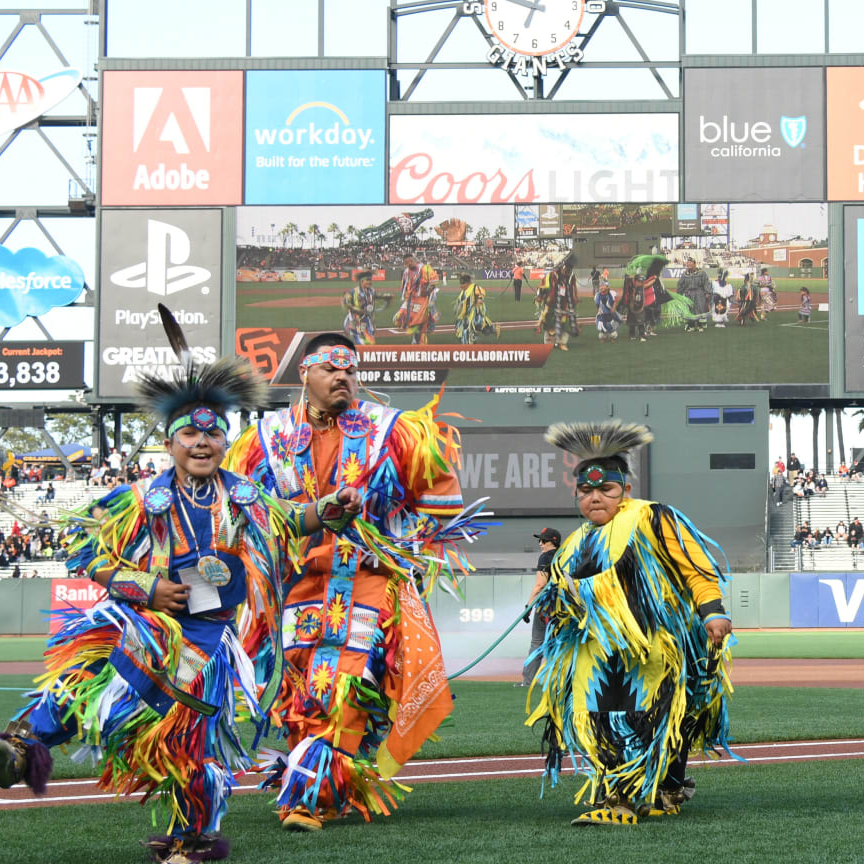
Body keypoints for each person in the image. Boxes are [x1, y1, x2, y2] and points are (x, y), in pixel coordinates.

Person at [0, 324, 357, 864]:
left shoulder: (245, 497)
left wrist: (332, 509)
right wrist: (145, 587)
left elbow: (293, 520)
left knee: (189, 740)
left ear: (225, 441)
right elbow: (83, 549)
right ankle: (21, 746)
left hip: (208, 640)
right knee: (98, 668)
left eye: (214, 435)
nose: (203, 443)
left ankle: (190, 838)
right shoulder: (138, 498)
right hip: (145, 622)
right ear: (169, 442)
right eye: (190, 435)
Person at [224, 333, 490, 831]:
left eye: (349, 368)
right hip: (294, 586)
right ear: (305, 373)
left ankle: (306, 796)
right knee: (295, 689)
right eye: (330, 368)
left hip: (364, 580)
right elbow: (243, 510)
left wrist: (396, 544)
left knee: (343, 681)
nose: (342, 376)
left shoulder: (392, 429)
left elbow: (442, 505)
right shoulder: (264, 436)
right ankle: (327, 780)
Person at [528, 420, 734, 826]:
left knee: (653, 716)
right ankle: (619, 798)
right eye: (586, 491)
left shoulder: (652, 518)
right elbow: (563, 602)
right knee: (601, 718)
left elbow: (692, 567)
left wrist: (712, 610)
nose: (595, 498)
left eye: (606, 489)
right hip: (597, 653)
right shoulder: (572, 544)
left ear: (625, 490)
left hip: (653, 646)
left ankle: (662, 788)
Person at [521, 527, 561, 687]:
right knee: (559, 644)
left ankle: (528, 681)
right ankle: (558, 681)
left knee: (537, 642)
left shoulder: (545, 557)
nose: (540, 543)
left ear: (553, 542)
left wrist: (528, 606)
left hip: (546, 608)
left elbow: (540, 585)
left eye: (543, 540)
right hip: (565, 608)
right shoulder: (566, 556)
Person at [392, 254, 439, 344]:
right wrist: (406, 298)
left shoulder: (425, 268)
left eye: (410, 261)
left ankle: (420, 342)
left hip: (423, 299)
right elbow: (406, 286)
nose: (409, 264)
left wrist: (427, 291)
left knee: (419, 322)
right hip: (411, 299)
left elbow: (434, 281)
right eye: (406, 263)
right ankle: (417, 339)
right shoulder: (406, 272)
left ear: (414, 260)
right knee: (399, 318)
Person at [342, 271, 389, 346]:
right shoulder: (354, 291)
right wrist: (357, 310)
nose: (369, 282)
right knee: (360, 340)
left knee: (370, 340)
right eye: (367, 280)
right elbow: (347, 303)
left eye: (370, 280)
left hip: (365, 319)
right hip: (355, 319)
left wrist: (386, 297)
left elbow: (375, 296)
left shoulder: (371, 290)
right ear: (361, 281)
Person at [453, 273, 499, 344]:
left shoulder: (475, 287)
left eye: (462, 284)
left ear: (467, 283)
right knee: (466, 326)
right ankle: (468, 341)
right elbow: (461, 300)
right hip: (466, 313)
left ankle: (493, 329)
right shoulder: (464, 291)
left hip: (475, 312)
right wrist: (459, 306)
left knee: (478, 325)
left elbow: (481, 294)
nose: (461, 286)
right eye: (460, 284)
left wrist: (479, 299)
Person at [594, 279, 620, 343]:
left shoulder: (612, 293)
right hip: (602, 314)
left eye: (603, 285)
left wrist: (614, 307)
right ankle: (603, 337)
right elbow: (597, 305)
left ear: (607, 286)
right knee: (602, 326)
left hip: (611, 313)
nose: (601, 287)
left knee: (611, 326)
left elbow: (616, 299)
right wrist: (598, 311)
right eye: (600, 286)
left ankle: (612, 337)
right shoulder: (597, 295)